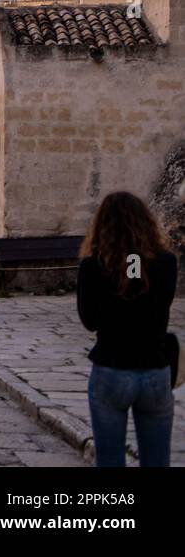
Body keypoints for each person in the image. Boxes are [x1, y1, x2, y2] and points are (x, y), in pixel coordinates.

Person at [77, 191, 177, 468]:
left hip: (112, 369)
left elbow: (90, 320)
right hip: (154, 372)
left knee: (109, 461)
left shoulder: (93, 267)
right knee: (157, 461)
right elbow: (147, 296)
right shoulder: (167, 264)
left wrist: (127, 271)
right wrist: (131, 268)